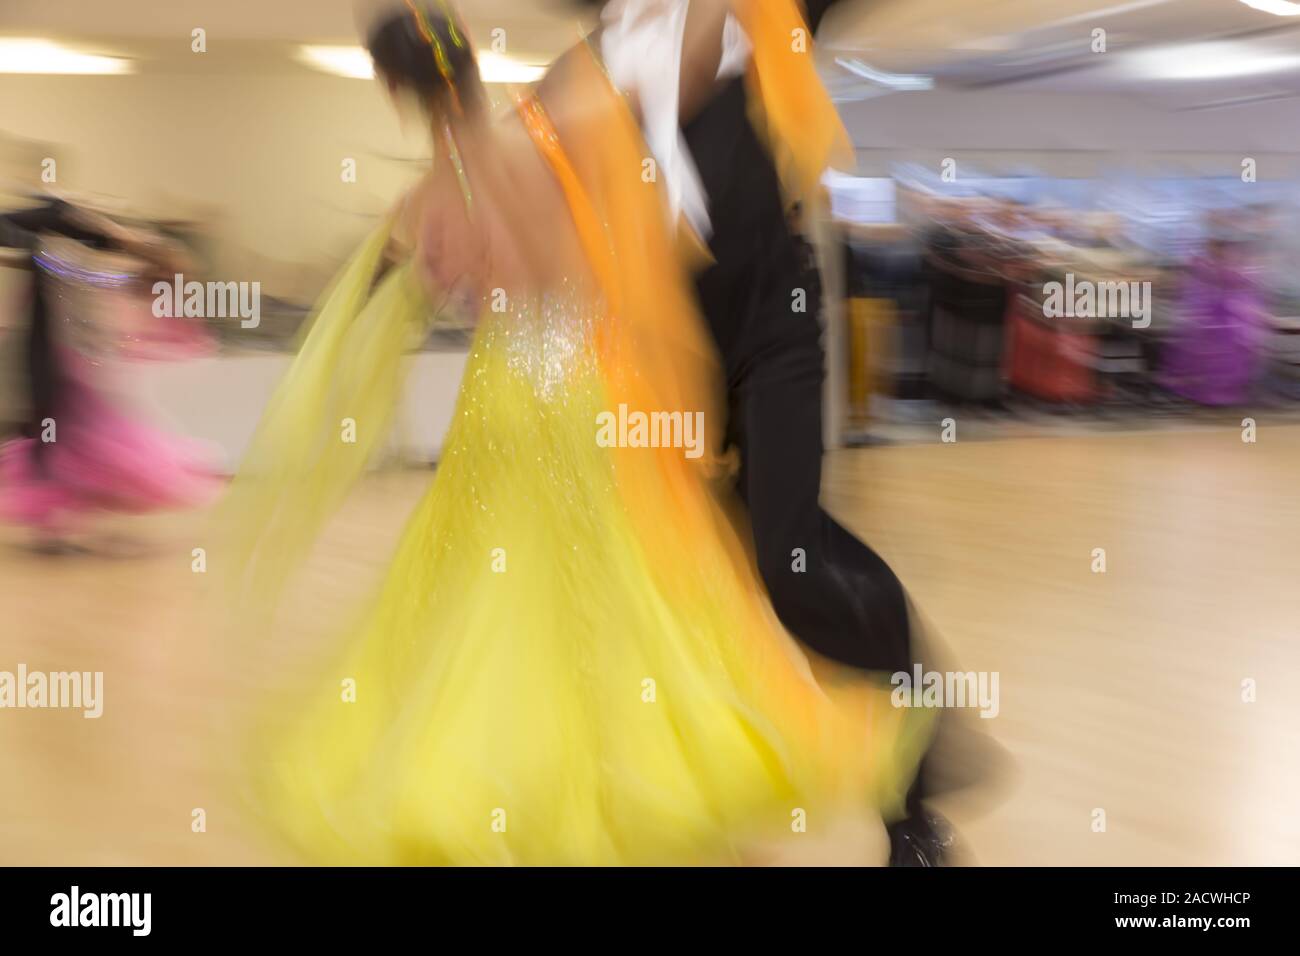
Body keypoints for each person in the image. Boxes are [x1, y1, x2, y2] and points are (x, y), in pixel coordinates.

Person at [223, 1, 928, 865]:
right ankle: (628, 781)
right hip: (581, 396)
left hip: (500, 406)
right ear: (470, 62)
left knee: (492, 604)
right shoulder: (548, 135)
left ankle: (520, 786)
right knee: (622, 598)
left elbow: (411, 296)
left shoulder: (424, 196)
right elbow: (610, 279)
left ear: (399, 93)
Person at [584, 0, 967, 863]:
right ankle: (687, 808)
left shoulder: (763, 12)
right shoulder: (608, 33)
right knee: (682, 576)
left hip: (772, 328)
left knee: (788, 554)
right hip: (665, 350)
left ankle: (913, 791)